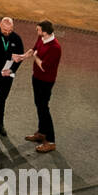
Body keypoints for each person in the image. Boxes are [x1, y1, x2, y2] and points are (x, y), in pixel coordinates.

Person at [20, 19, 62, 153]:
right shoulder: (41, 38)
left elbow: (44, 66)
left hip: (46, 81)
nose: (37, 32)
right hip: (36, 78)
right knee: (39, 105)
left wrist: (36, 57)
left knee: (44, 108)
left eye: (38, 30)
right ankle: (42, 132)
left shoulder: (55, 48)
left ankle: (50, 141)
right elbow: (34, 49)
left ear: (45, 32)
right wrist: (24, 56)